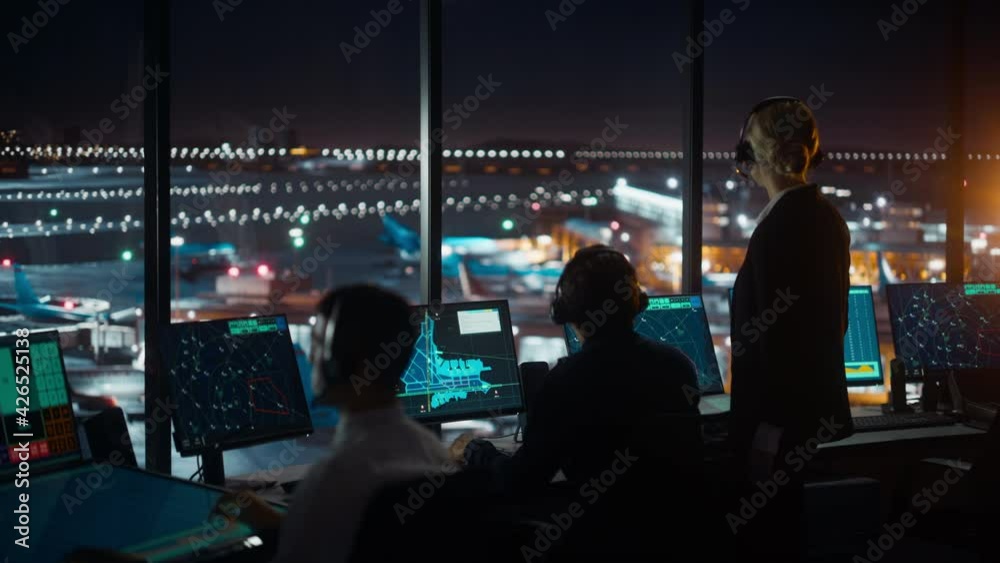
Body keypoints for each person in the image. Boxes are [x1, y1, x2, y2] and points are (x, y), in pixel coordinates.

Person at [451, 245, 703, 558]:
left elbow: (522, 481)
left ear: (566, 310)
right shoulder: (678, 365)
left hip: (602, 541)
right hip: (674, 538)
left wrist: (479, 452)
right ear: (637, 303)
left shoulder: (566, 381)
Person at [215, 284, 450, 563]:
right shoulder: (432, 451)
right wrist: (281, 522)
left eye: (319, 346)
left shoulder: (333, 477)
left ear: (357, 366)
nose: (312, 357)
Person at [728, 97, 854, 558]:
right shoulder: (825, 217)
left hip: (776, 427)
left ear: (753, 157)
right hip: (802, 422)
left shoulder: (783, 226)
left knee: (769, 540)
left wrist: (766, 431)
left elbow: (780, 341)